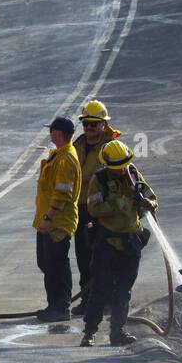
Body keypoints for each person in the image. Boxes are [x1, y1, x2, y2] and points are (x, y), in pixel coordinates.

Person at [80, 139, 158, 347]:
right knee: (101, 289)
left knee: (124, 290)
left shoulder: (133, 174)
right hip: (107, 242)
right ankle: (89, 333)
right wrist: (117, 204)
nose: (121, 171)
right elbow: (93, 208)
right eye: (117, 168)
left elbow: (153, 198)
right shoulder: (99, 180)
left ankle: (118, 332)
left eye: (123, 166)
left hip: (131, 242)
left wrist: (146, 202)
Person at [72, 100, 121, 313]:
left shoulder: (112, 148)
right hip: (81, 209)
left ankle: (107, 302)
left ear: (103, 124)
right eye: (86, 123)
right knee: (83, 257)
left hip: (104, 213)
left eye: (94, 123)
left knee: (104, 258)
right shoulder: (78, 144)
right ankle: (88, 300)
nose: (89, 128)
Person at [33, 116, 81, 322]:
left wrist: (49, 218)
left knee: (57, 266)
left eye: (51, 130)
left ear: (59, 133)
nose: (49, 133)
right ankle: (54, 305)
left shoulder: (66, 159)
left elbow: (62, 193)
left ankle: (61, 308)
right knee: (47, 264)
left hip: (56, 223)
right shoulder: (58, 155)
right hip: (47, 222)